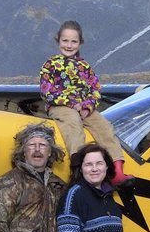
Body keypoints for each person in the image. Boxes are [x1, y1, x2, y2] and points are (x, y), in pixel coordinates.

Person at [39, 20, 133, 186]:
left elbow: (95, 90)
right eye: (65, 41)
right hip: (61, 107)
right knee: (74, 125)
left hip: (84, 109)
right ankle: (77, 170)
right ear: (58, 41)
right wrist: (71, 103)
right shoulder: (50, 64)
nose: (69, 45)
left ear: (80, 43)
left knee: (105, 127)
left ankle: (117, 171)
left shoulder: (85, 66)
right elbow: (47, 91)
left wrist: (87, 106)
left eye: (73, 41)